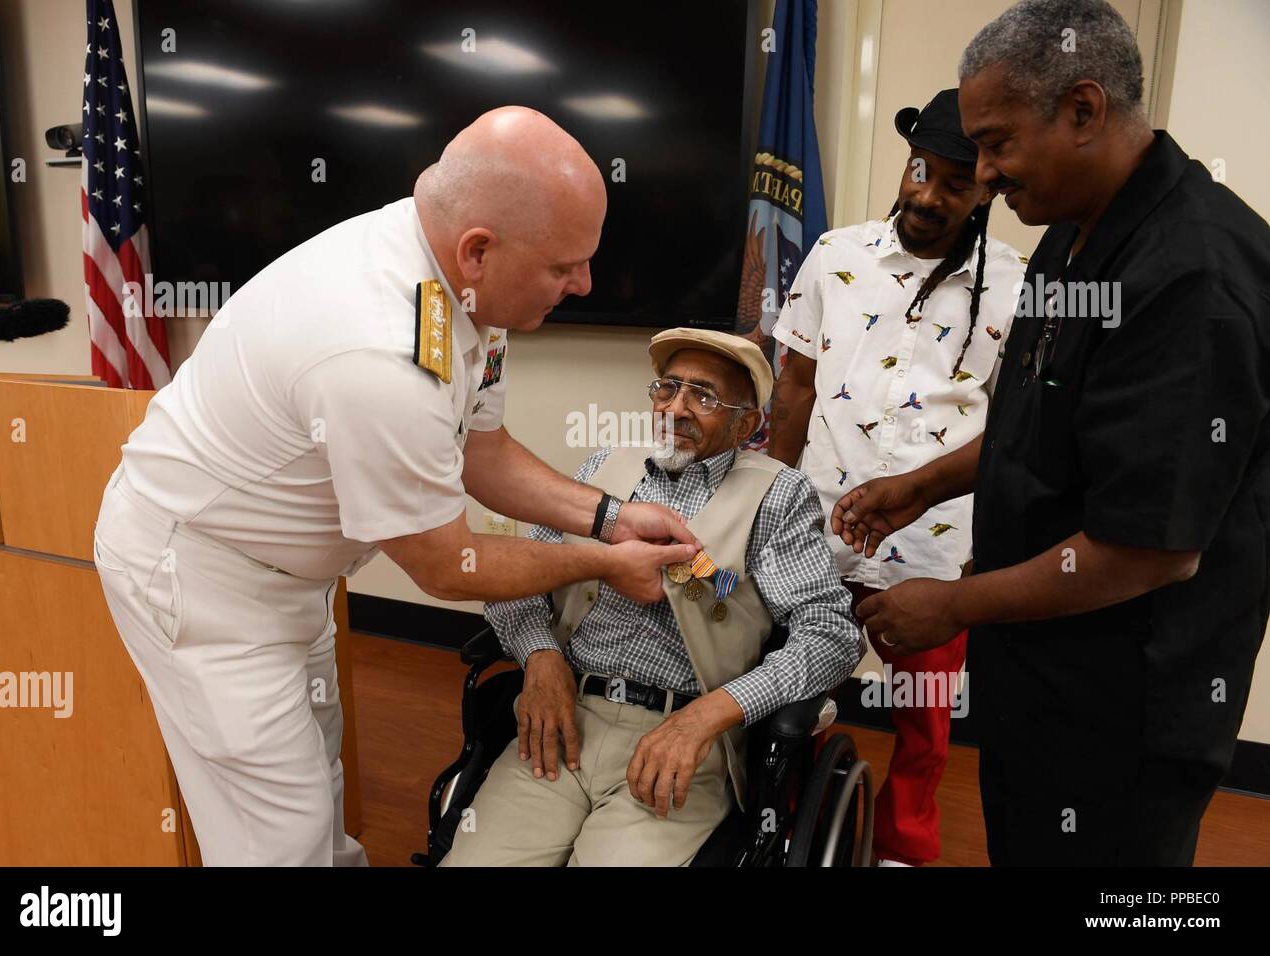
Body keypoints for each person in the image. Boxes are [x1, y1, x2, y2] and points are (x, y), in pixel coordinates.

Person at [93, 107, 698, 866]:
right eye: (562, 266)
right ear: (479, 250)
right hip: (199, 575)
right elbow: (448, 565)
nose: (584, 283)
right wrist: (606, 563)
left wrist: (609, 518)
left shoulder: (458, 276)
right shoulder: (376, 349)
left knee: (318, 780)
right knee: (275, 837)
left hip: (289, 572)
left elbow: (483, 452)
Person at [838, 0, 1270, 865]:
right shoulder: (1068, 230)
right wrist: (923, 485)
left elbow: (1147, 551)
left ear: (1083, 109)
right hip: (1038, 681)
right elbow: (1038, 418)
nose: (983, 174)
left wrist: (952, 604)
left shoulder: (1192, 278)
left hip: (1120, 717)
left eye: (996, 143)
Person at [442, 329, 862, 866]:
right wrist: (540, 657)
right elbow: (516, 576)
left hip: (679, 735)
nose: (676, 408)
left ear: (746, 424)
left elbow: (831, 636)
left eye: (703, 396)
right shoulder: (605, 466)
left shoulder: (777, 495)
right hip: (564, 714)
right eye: (667, 388)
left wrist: (709, 715)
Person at [769, 88, 1025, 867]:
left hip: (936, 550)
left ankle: (902, 851)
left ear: (986, 189)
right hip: (820, 529)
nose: (928, 193)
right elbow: (796, 387)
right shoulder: (836, 256)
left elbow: (1017, 435)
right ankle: (784, 823)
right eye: (922, 170)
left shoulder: (1019, 285)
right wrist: (766, 503)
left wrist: (988, 564)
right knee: (791, 694)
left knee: (925, 726)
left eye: (955, 182)